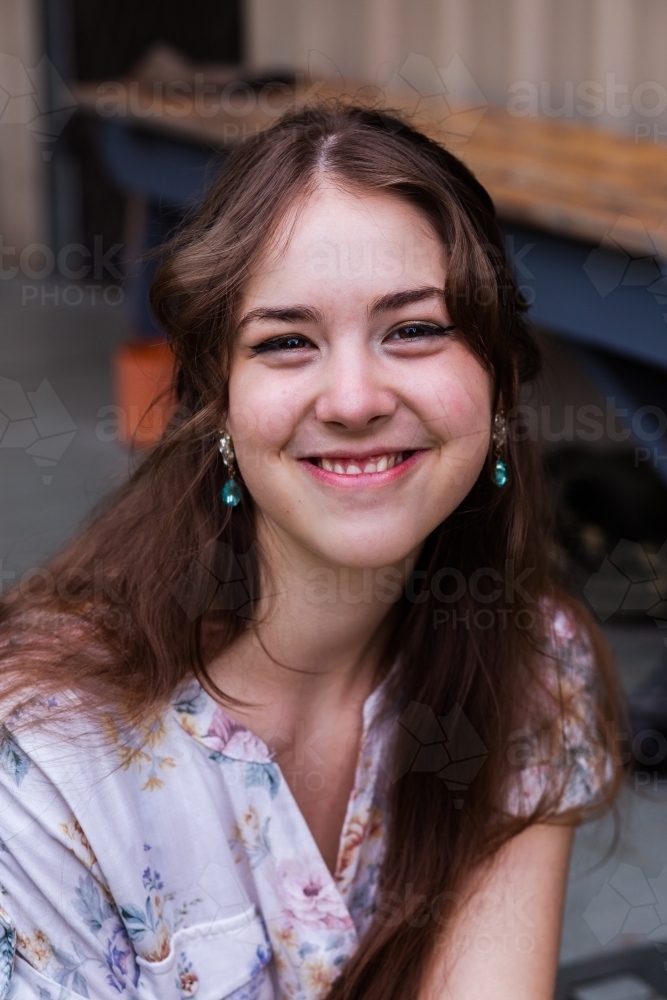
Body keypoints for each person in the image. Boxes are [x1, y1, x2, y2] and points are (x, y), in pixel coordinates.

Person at [0, 104, 621, 1000]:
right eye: (286, 342)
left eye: (412, 328)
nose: (355, 398)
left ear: (498, 382)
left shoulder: (532, 668)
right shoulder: (47, 762)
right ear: (217, 407)